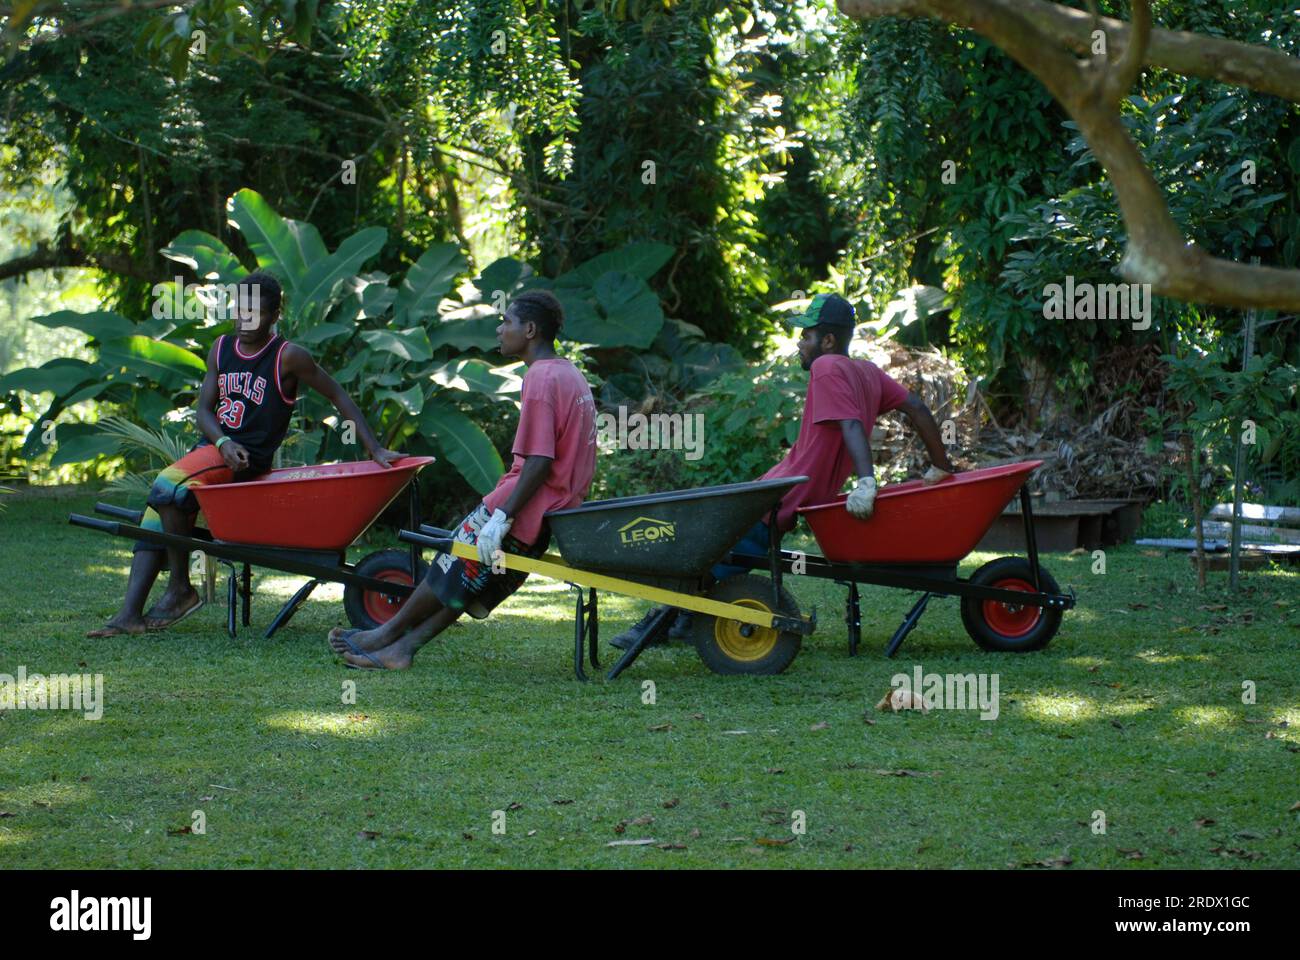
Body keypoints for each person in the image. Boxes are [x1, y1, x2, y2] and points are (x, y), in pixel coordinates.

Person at [610, 292, 957, 649]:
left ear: (827, 340)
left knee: (704, 546)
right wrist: (941, 467)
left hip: (783, 495)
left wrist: (867, 482)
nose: (799, 342)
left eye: (806, 335)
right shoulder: (866, 372)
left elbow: (851, 424)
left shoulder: (827, 367)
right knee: (718, 546)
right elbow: (916, 407)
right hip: (784, 490)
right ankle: (682, 620)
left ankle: (656, 624)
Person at [88, 271, 399, 637]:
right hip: (214, 452)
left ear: (274, 314)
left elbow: (337, 394)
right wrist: (222, 442)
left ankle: (180, 589)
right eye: (240, 311)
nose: (245, 321)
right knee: (157, 509)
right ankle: (129, 615)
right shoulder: (220, 348)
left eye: (256, 313)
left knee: (165, 487)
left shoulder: (288, 357)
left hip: (247, 463)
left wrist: (373, 446)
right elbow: (204, 410)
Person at [328, 288, 597, 670]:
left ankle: (386, 636)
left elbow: (539, 461)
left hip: (524, 506)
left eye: (507, 322)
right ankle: (400, 648)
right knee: (466, 581)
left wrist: (501, 519)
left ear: (531, 329)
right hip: (552, 508)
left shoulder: (540, 378)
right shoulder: (569, 372)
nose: (500, 330)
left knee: (449, 565)